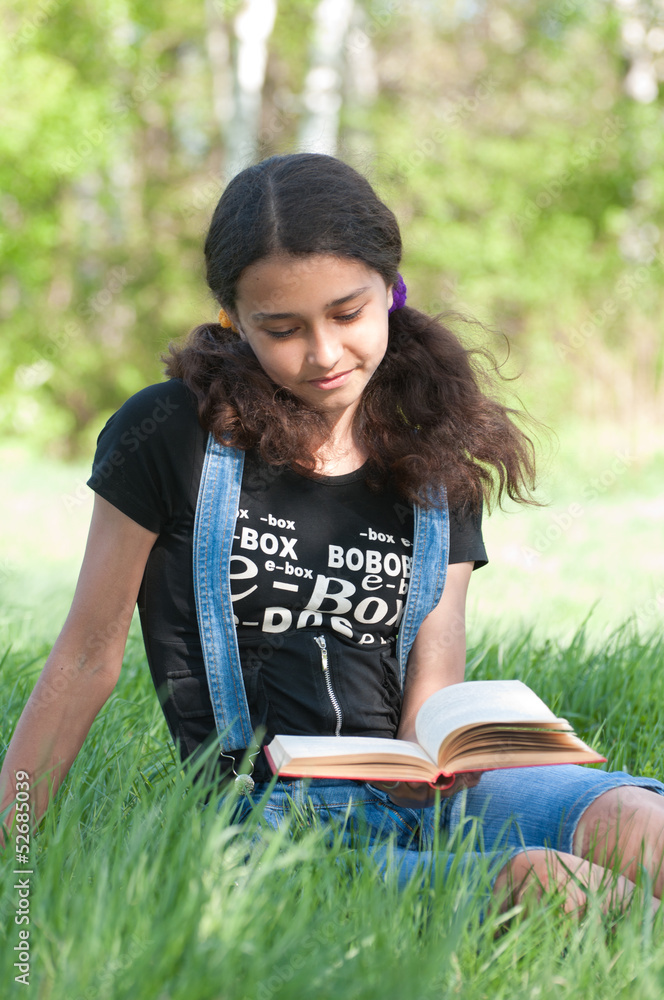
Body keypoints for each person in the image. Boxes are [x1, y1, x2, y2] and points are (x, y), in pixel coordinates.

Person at [2, 152, 663, 916]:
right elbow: (86, 657)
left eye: (348, 314)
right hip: (270, 818)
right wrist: (12, 854)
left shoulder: (431, 448)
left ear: (392, 290)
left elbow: (432, 683)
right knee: (545, 885)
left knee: (639, 823)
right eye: (281, 328)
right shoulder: (170, 436)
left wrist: (468, 749)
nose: (323, 354)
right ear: (233, 321)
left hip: (423, 791)